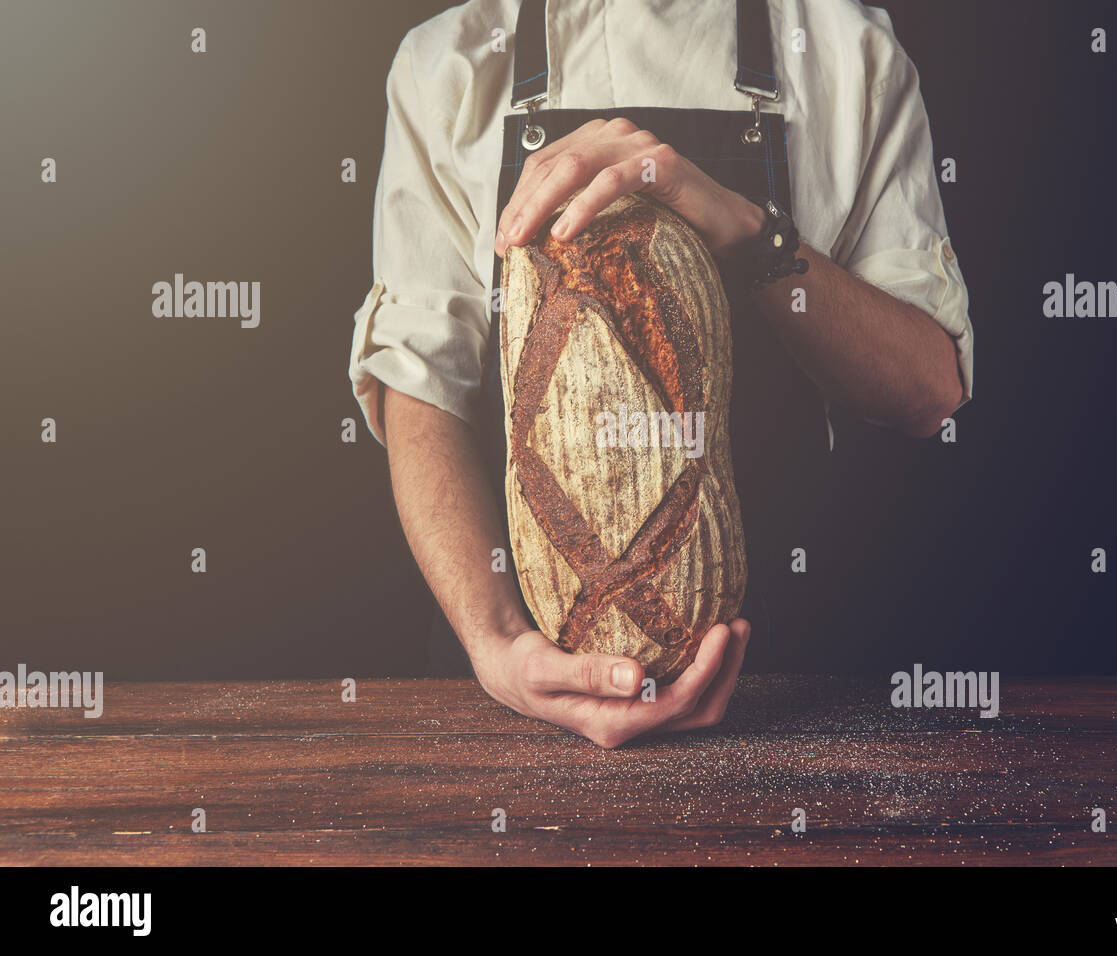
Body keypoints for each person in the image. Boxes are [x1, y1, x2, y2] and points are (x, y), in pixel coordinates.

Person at [348, 0, 973, 748]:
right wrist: (496, 643)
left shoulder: (846, 50)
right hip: (525, 701)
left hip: (797, 701)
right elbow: (421, 384)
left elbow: (927, 386)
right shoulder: (450, 64)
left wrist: (752, 234)